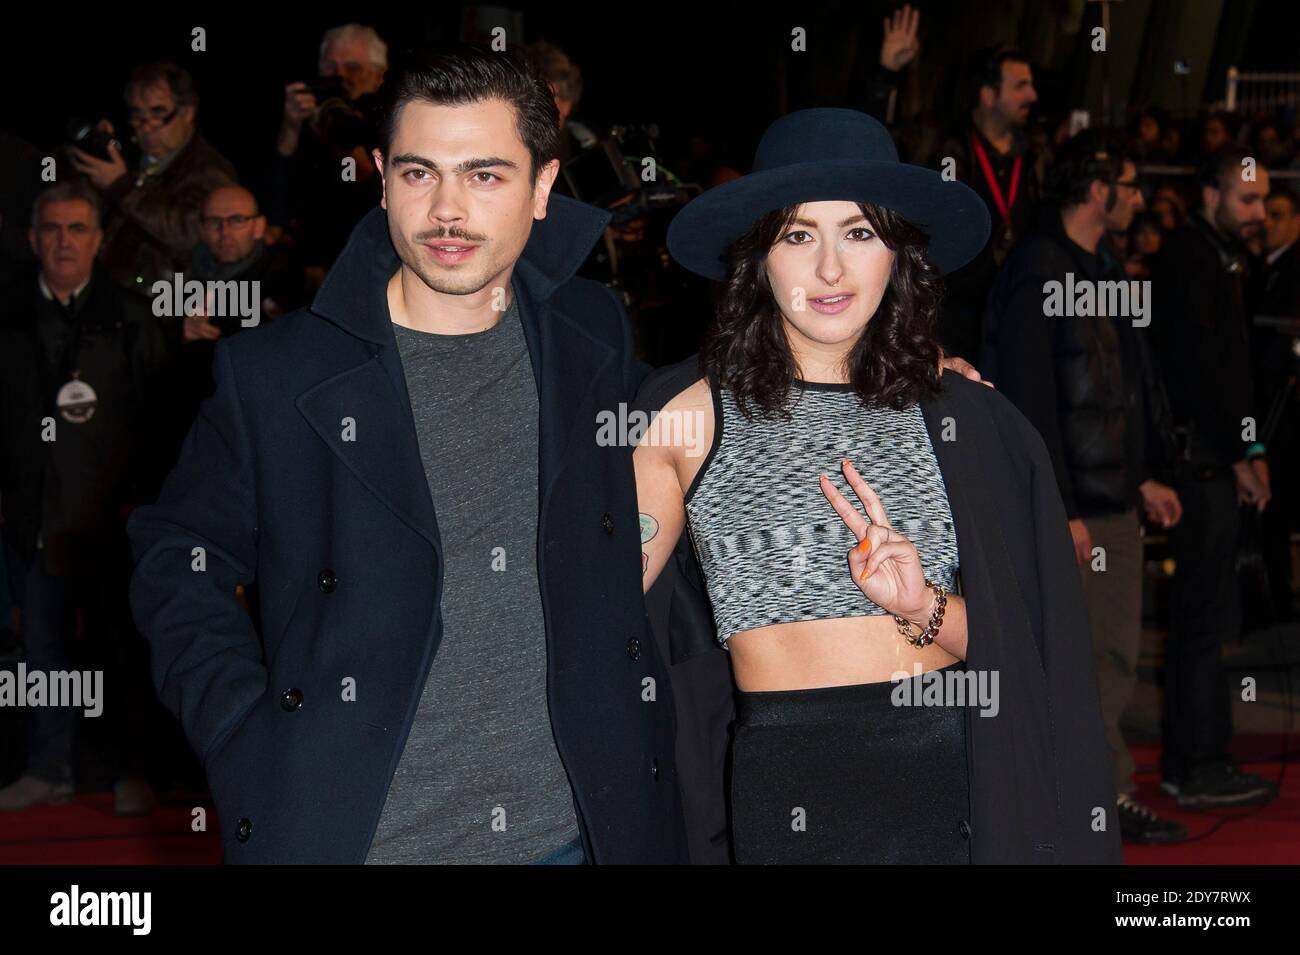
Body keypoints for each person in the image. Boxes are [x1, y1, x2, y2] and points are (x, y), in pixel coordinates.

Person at [126, 46, 690, 864]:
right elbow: (175, 558)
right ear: (382, 176)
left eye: (486, 175)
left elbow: (699, 409)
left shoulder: (590, 332)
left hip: (578, 835)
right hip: (364, 840)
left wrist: (915, 371)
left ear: (541, 188)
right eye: (420, 174)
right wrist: (247, 732)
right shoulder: (277, 375)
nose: (447, 210)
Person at [634, 108, 1120, 864]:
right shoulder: (686, 421)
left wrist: (921, 605)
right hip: (785, 802)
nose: (831, 268)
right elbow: (594, 632)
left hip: (954, 792)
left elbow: (1031, 657)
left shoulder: (967, 419)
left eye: (859, 233)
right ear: (757, 258)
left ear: (899, 252)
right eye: (798, 236)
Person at [982, 132, 1187, 843]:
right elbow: (1029, 400)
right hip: (1080, 512)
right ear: (1097, 189)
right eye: (1128, 185)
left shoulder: (1099, 267)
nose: (1138, 198)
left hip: (1110, 501)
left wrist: (1144, 475)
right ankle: (1098, 798)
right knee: (1093, 657)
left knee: (1110, 655)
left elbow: (1123, 385)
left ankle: (1094, 794)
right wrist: (1061, 507)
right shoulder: (1039, 268)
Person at [0, 182, 172, 815]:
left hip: (110, 521)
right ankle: (48, 768)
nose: (64, 241)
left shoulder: (133, 315)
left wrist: (143, 508)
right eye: (52, 229)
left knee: (116, 646)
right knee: (41, 651)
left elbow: (159, 421)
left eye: (77, 229)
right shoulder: (8, 313)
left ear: (99, 240)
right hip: (31, 518)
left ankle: (122, 768)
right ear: (32, 238)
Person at [1149, 147, 1279, 808]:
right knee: (1201, 618)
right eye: (1248, 199)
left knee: (1210, 616)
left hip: (1218, 453)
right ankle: (1195, 765)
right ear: (1210, 195)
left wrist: (1250, 447)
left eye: (1263, 201)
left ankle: (1203, 757)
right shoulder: (1189, 260)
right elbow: (1202, 373)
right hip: (1200, 460)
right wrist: (1240, 454)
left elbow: (1237, 375)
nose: (1258, 213)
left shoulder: (1221, 259)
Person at [68, 62, 236, 293]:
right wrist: (96, 151)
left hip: (167, 299)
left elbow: (189, 233)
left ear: (188, 112)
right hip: (108, 286)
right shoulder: (130, 154)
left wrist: (122, 186)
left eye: (158, 113)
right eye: (137, 115)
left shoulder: (210, 170)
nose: (145, 128)